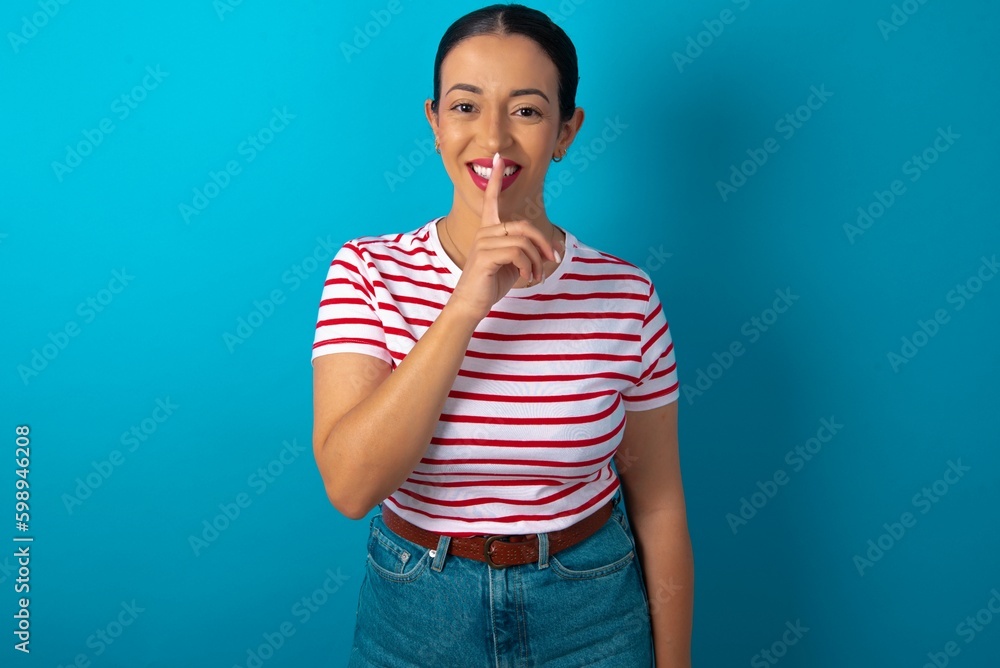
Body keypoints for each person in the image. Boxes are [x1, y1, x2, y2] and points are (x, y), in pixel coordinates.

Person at [310, 4, 693, 666]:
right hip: (415, 612)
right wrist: (466, 305)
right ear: (434, 122)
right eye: (465, 107)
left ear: (566, 130)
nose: (492, 139)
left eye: (526, 110)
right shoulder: (367, 271)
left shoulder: (626, 297)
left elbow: (659, 507)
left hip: (591, 612)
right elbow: (350, 487)